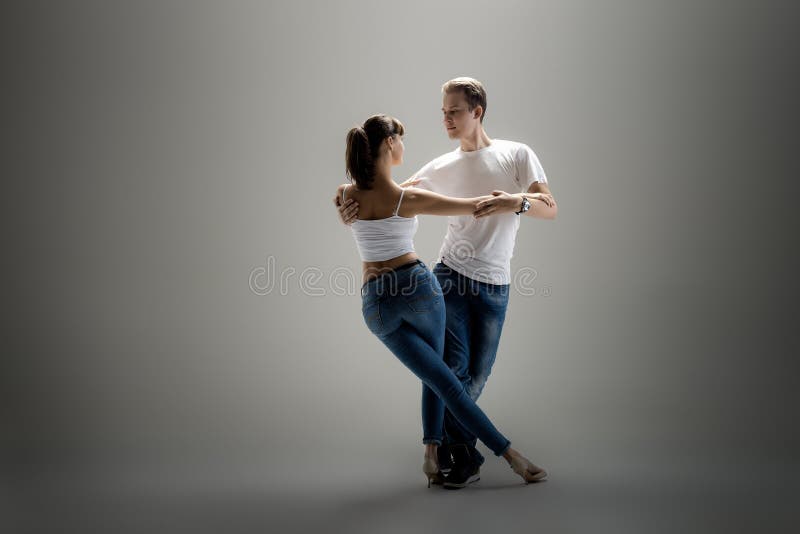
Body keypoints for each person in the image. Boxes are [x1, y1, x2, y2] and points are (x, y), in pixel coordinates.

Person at [334, 78, 557, 488]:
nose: (446, 119)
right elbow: (394, 194)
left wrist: (516, 201)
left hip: (492, 284)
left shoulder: (517, 154)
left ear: (477, 112)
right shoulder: (437, 167)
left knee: (473, 376)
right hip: (445, 278)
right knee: (450, 373)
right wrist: (351, 209)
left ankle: (441, 451)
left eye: (453, 111)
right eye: (443, 111)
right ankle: (477, 457)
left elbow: (549, 207)